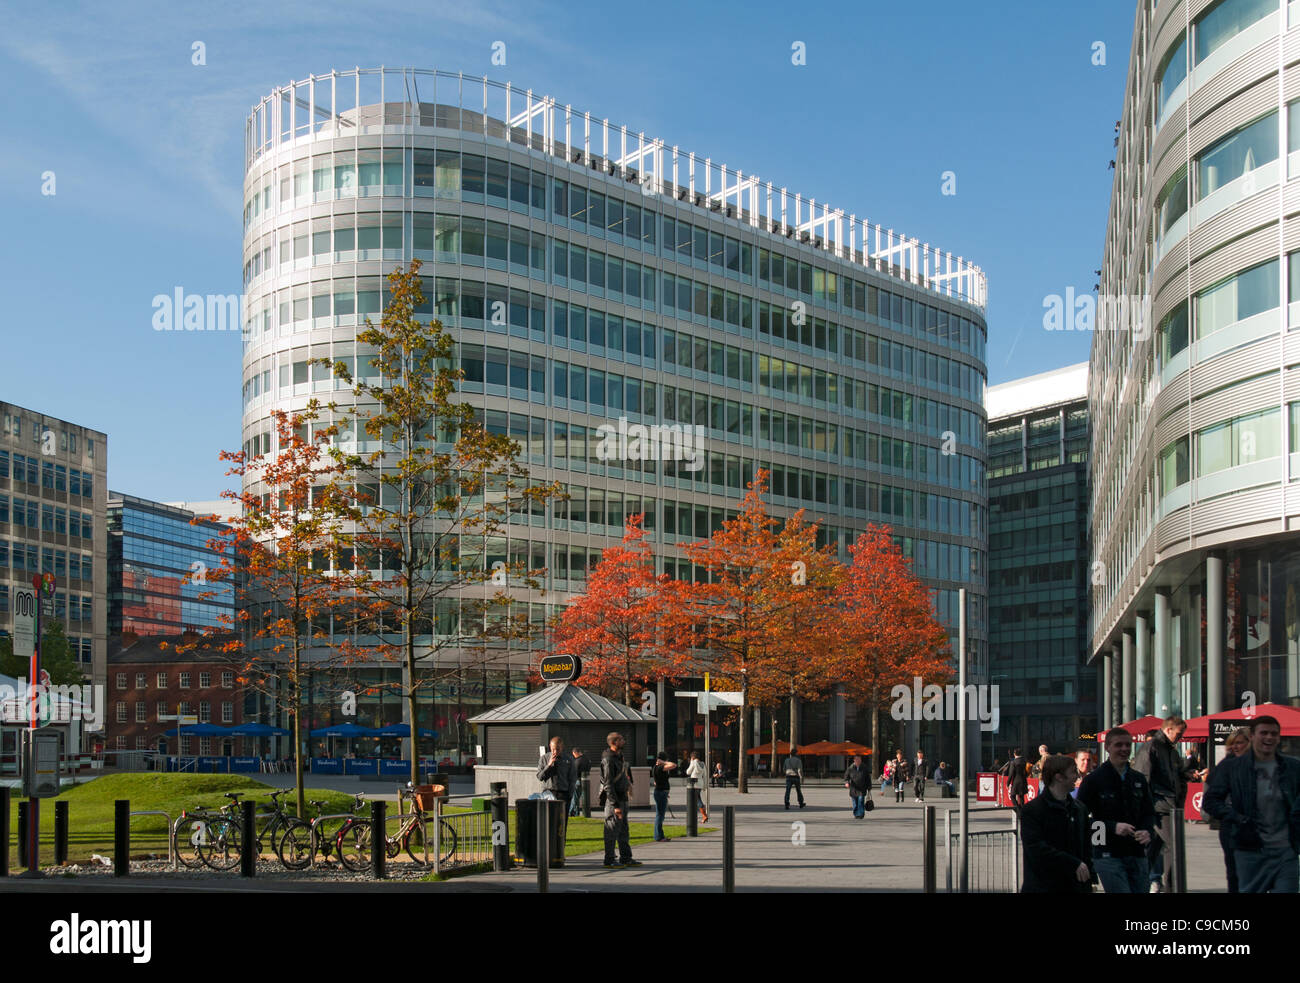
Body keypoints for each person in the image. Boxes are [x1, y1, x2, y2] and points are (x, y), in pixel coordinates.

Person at [1202, 715, 1300, 894]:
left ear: (1279, 737)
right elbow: (1210, 801)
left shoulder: (1293, 768)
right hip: (1249, 850)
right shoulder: (1232, 767)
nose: (1269, 738)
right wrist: (1237, 818)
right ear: (1253, 736)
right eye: (1264, 733)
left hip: (1286, 851)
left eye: (1274, 734)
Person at [1076, 727, 1155, 893]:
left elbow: (1148, 812)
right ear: (1107, 747)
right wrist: (1113, 827)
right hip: (1107, 852)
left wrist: (1148, 831)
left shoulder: (1138, 778)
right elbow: (1079, 818)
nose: (1124, 749)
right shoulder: (1094, 780)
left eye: (1128, 745)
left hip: (1137, 852)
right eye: (1119, 745)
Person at [1133, 715, 1199, 893]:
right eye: (1178, 734)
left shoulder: (1168, 749)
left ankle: (1140, 885)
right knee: (1172, 847)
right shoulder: (1153, 747)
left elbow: (1172, 773)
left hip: (1164, 804)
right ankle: (1171, 887)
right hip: (1160, 806)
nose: (1180, 738)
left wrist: (1186, 774)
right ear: (1168, 729)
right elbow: (1142, 777)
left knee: (1155, 849)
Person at [1020, 754, 1093, 893]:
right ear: (1058, 777)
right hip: (1043, 886)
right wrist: (1073, 863)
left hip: (1075, 885)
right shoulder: (1033, 810)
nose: (1077, 777)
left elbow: (1086, 848)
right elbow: (1036, 849)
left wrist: (1090, 878)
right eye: (1073, 772)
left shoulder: (1079, 809)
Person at [1214, 727, 1251, 893]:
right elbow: (1212, 799)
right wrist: (1231, 814)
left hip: (1254, 826)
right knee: (1234, 871)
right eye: (1232, 744)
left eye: (1239, 743)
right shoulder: (1226, 766)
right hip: (1231, 826)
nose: (1235, 747)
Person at [600, 732, 641, 869]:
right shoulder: (608, 759)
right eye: (621, 739)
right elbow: (608, 784)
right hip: (614, 801)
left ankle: (626, 857)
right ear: (614, 742)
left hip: (623, 798)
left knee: (624, 830)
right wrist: (615, 804)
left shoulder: (619, 757)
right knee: (611, 830)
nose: (624, 741)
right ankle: (609, 859)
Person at [536, 735, 576, 862]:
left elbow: (572, 779)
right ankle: (547, 853)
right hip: (548, 793)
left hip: (563, 795)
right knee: (547, 824)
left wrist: (569, 795)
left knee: (561, 825)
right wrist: (549, 765)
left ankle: (560, 853)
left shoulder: (569, 759)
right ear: (550, 747)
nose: (555, 752)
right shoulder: (544, 758)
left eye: (557, 749)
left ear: (562, 748)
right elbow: (540, 777)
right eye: (553, 749)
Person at [651, 751, 676, 841]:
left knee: (660, 815)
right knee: (660, 815)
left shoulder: (655, 767)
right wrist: (664, 762)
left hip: (660, 792)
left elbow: (655, 782)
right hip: (661, 792)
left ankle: (660, 835)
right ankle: (658, 836)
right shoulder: (660, 767)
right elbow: (674, 765)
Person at [844, 754, 872, 818]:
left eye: (859, 759)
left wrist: (869, 787)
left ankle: (861, 814)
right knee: (855, 802)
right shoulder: (850, 768)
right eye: (856, 759)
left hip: (862, 788)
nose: (858, 761)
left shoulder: (864, 767)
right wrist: (847, 782)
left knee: (861, 801)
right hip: (853, 788)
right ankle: (856, 814)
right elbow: (846, 777)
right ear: (854, 760)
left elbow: (868, 778)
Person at [685, 751, 708, 823]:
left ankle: (704, 815)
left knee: (697, 800)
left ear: (692, 757)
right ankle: (703, 815)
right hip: (700, 783)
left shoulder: (694, 762)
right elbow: (705, 775)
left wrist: (691, 763)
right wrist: (704, 786)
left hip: (694, 783)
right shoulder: (703, 764)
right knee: (697, 798)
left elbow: (688, 772)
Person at [1007, 747, 1029, 812]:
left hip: (1016, 781)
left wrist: (1008, 783)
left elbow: (1011, 774)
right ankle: (1022, 811)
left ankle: (1018, 810)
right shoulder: (1024, 761)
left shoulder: (1013, 762)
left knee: (1012, 796)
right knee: (1021, 796)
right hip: (1023, 780)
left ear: (1014, 754)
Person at [569, 747, 589, 817]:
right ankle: (574, 812)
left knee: (575, 798)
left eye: (574, 754)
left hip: (577, 780)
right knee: (577, 797)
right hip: (585, 780)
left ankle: (573, 812)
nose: (574, 756)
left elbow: (574, 772)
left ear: (576, 753)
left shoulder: (577, 761)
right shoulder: (586, 759)